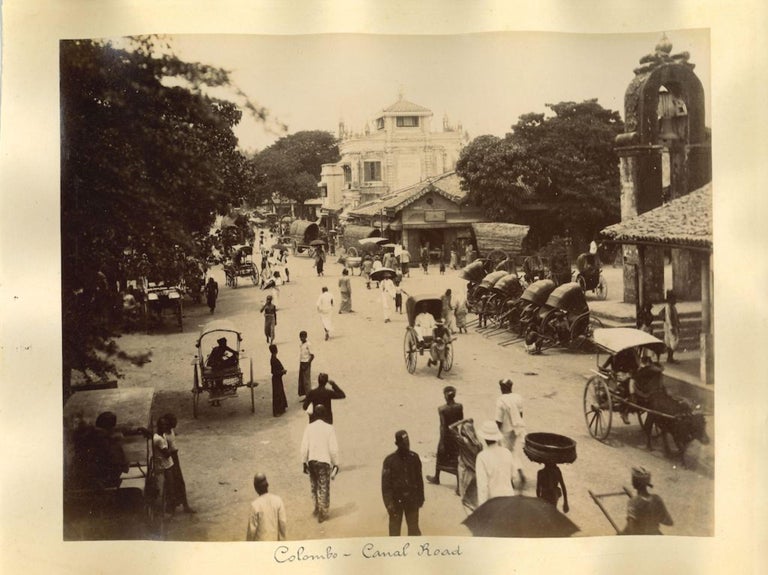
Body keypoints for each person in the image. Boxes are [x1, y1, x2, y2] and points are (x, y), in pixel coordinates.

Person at [300, 405, 339, 523]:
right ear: (324, 415)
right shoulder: (329, 428)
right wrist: (336, 463)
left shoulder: (309, 427)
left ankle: (316, 507)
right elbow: (333, 448)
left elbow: (304, 446)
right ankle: (323, 512)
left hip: (312, 460)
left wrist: (304, 462)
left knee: (314, 485)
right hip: (324, 461)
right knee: (324, 487)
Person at [381, 430, 425, 536]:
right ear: (397, 444)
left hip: (412, 500)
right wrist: (389, 504)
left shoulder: (414, 458)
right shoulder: (389, 461)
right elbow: (385, 486)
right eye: (404, 443)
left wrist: (420, 498)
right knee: (394, 533)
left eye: (408, 442)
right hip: (396, 502)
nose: (407, 445)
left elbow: (419, 479)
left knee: (414, 530)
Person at [426, 386, 464, 493]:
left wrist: (442, 441)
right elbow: (461, 418)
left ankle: (437, 477)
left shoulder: (442, 409)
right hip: (455, 433)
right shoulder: (459, 406)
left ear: (445, 396)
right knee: (455, 458)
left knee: (440, 455)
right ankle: (458, 486)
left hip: (446, 435)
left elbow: (443, 426)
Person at [475, 420, 517, 506]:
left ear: (484, 438)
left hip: (493, 502)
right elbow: (514, 475)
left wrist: (481, 509)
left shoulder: (482, 456)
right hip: (509, 498)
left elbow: (482, 487)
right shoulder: (507, 452)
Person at [622, 467, 673, 535]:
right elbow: (669, 522)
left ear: (634, 483)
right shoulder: (656, 499)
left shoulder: (633, 502)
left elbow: (631, 528)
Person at [495, 378, 526, 488]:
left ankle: (510, 480)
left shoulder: (501, 400)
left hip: (505, 431)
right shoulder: (518, 397)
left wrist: (496, 434)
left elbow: (499, 420)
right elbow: (521, 414)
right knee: (513, 452)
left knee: (505, 454)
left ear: (503, 388)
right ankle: (520, 472)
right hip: (516, 429)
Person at [162, 413, 195, 514]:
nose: (176, 422)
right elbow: (165, 450)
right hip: (170, 458)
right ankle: (172, 507)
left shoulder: (171, 431)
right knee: (171, 482)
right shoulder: (164, 435)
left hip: (175, 458)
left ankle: (184, 505)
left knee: (180, 481)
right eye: (174, 421)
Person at [448, 418, 484, 511]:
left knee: (465, 497)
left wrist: (461, 421)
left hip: (464, 469)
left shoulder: (463, 441)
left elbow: (451, 427)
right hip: (475, 471)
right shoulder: (479, 444)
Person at [246, 473, 287, 541]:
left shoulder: (255, 505)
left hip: (261, 546)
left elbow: (251, 531)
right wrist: (282, 541)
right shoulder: (278, 500)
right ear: (267, 485)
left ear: (255, 487)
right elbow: (282, 523)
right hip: (275, 543)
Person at [152, 416, 176, 515]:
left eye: (166, 424)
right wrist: (173, 449)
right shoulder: (159, 439)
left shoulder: (162, 435)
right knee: (167, 488)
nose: (165, 426)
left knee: (169, 487)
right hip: (164, 466)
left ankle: (168, 508)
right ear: (159, 426)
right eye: (162, 425)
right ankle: (166, 510)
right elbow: (167, 453)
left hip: (167, 465)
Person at [658, 290, 680, 363]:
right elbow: (668, 318)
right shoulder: (668, 307)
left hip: (672, 326)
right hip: (670, 327)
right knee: (674, 341)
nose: (675, 300)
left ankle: (670, 357)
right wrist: (671, 327)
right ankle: (670, 357)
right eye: (674, 299)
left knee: (670, 342)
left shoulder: (673, 307)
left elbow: (676, 317)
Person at [269, 344, 289, 417]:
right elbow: (274, 372)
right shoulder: (274, 360)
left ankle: (281, 408)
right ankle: (277, 411)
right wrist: (282, 372)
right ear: (276, 350)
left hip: (277, 378)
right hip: (276, 378)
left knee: (279, 392)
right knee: (277, 394)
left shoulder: (273, 358)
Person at [297, 331, 314, 398]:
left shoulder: (308, 344)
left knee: (307, 381)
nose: (301, 338)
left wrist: (307, 364)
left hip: (306, 363)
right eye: (300, 337)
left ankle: (309, 396)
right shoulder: (301, 344)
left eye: (303, 337)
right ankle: (306, 396)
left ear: (306, 337)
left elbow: (312, 356)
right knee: (302, 381)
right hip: (302, 363)